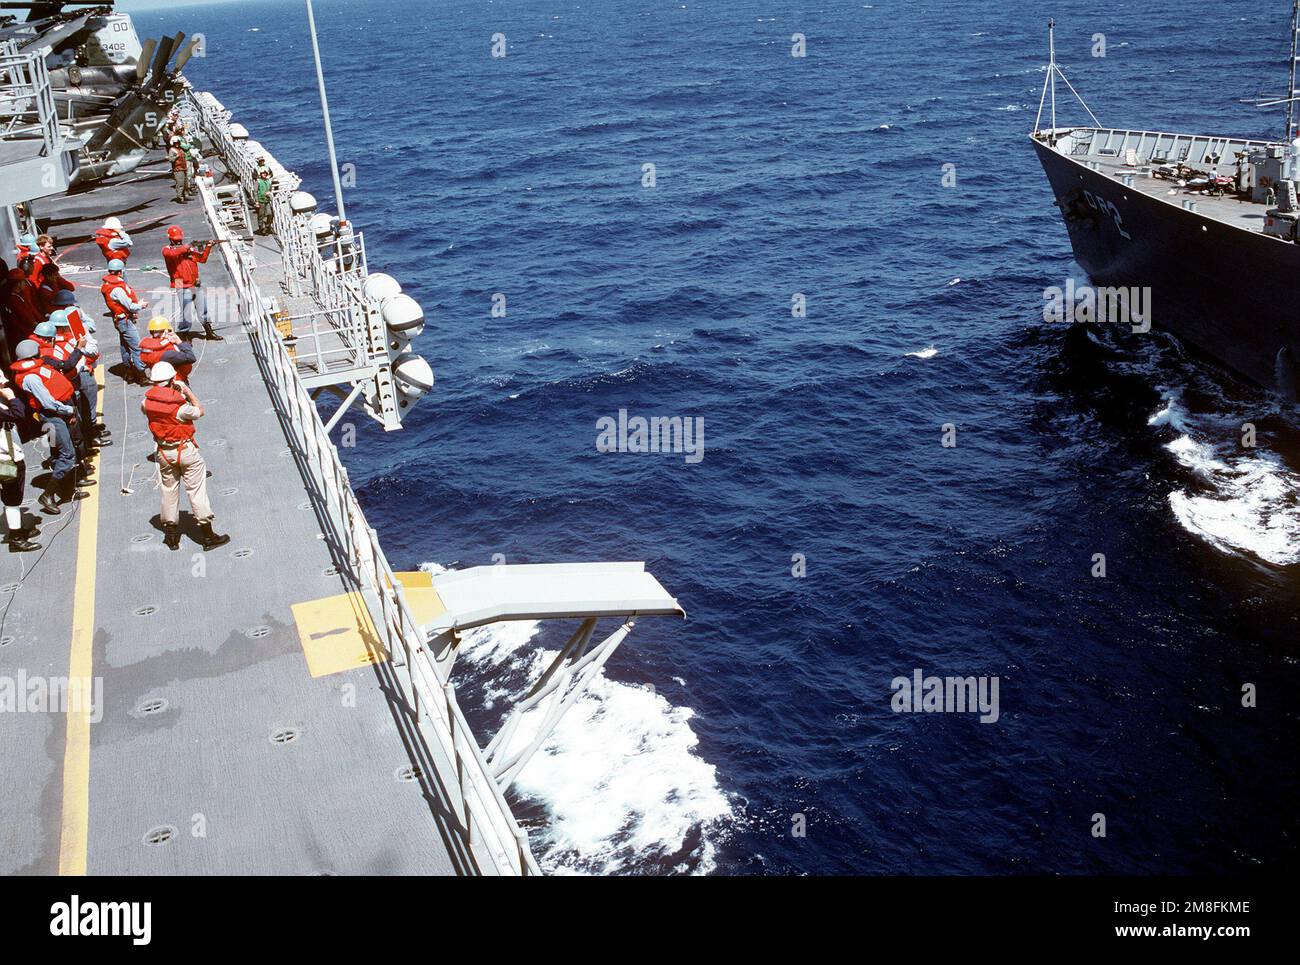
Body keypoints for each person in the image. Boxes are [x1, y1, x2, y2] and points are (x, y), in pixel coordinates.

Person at [141, 361, 229, 551]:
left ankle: (172, 537)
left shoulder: (146, 403)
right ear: (172, 379)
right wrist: (187, 392)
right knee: (196, 491)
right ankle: (207, 536)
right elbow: (199, 411)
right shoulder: (180, 408)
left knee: (168, 490)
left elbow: (150, 408)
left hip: (163, 452)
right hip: (185, 450)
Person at [10, 340, 83, 514]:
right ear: (33, 355)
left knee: (58, 454)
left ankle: (66, 491)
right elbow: (48, 402)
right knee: (67, 454)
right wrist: (69, 410)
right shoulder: (31, 377)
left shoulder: (36, 369)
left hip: (57, 415)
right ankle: (48, 495)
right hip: (52, 417)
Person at [50, 310, 109, 446]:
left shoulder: (59, 341)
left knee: (85, 408)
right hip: (77, 376)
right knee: (86, 408)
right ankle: (90, 437)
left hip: (77, 373)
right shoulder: (61, 343)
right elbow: (69, 362)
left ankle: (90, 433)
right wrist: (82, 355)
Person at [0, 370, 39, 552]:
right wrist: (11, 397)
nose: (4, 384)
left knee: (13, 494)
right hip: (5, 459)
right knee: (12, 495)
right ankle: (16, 538)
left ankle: (17, 530)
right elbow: (18, 413)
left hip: (8, 455)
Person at [161, 227, 222, 340]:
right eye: (176, 240)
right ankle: (184, 335)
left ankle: (209, 332)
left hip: (195, 283)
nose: (178, 241)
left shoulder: (189, 249)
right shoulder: (167, 249)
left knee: (202, 308)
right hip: (179, 283)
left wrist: (208, 247)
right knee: (186, 311)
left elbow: (202, 259)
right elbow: (173, 253)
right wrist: (188, 246)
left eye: (180, 240)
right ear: (170, 239)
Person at [99, 259, 149, 383]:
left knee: (125, 345)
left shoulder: (107, 285)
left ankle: (129, 371)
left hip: (118, 319)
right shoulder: (117, 289)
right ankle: (141, 374)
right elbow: (130, 306)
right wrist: (141, 305)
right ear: (121, 272)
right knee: (136, 346)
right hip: (124, 320)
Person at [139, 316, 196, 383]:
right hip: (176, 381)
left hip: (159, 381)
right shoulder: (168, 354)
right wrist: (179, 342)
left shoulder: (148, 348)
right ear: (166, 331)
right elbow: (191, 358)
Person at [253, 156, 274, 235]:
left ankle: (267, 227)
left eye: (263, 161)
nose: (262, 162)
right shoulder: (258, 180)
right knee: (261, 215)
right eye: (263, 174)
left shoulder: (268, 181)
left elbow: (270, 188)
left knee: (270, 214)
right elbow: (255, 191)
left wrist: (269, 193)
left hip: (267, 200)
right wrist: (256, 202)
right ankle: (261, 229)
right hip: (261, 200)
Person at [169, 136, 191, 203]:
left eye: (178, 142)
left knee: (185, 183)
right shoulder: (172, 150)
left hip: (184, 168)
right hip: (178, 169)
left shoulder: (180, 149)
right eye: (175, 143)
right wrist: (176, 156)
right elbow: (171, 159)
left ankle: (186, 195)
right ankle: (180, 197)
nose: (177, 144)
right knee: (180, 184)